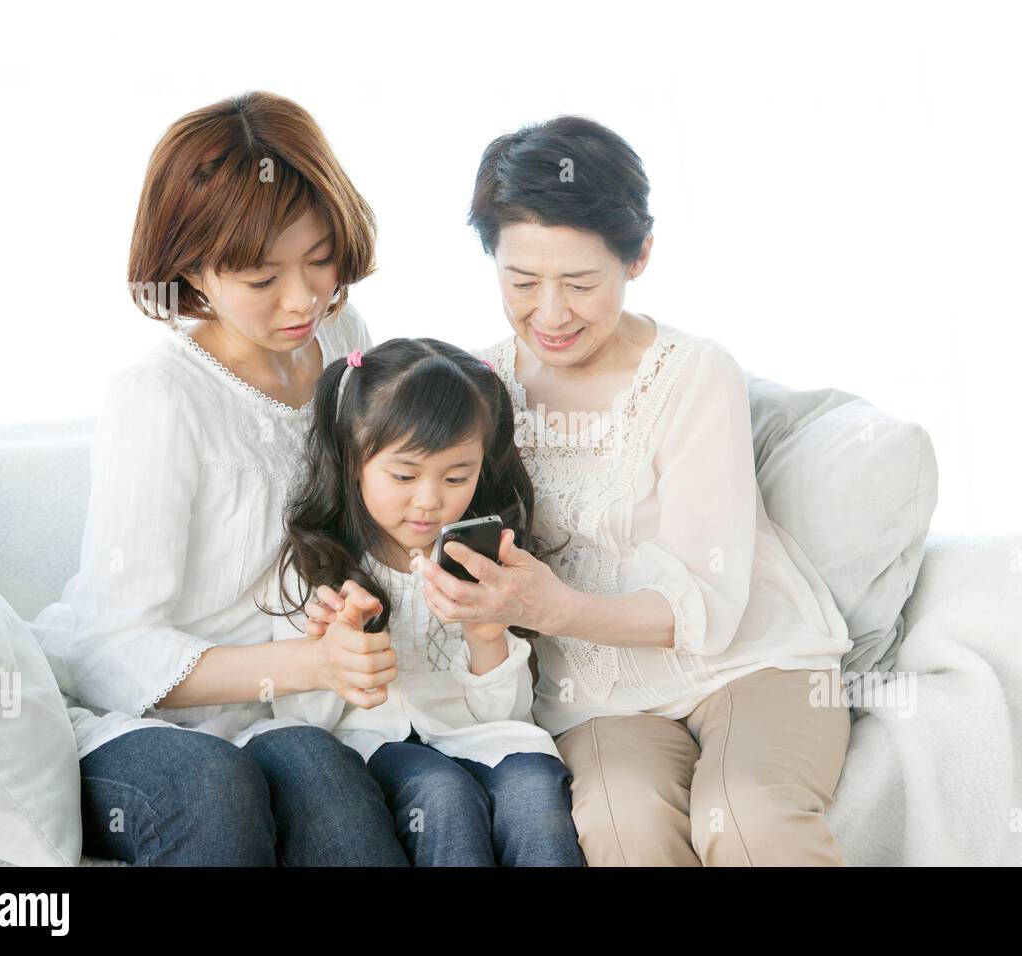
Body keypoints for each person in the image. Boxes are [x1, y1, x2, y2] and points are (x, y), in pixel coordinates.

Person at [308, 115, 856, 866]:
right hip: (595, 695)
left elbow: (716, 603)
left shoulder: (694, 376)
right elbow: (391, 510)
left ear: (640, 258)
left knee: (746, 816)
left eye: (581, 283)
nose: (552, 313)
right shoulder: (476, 386)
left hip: (749, 662)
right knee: (622, 826)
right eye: (522, 282)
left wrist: (549, 607)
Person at [32, 91, 406, 866]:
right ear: (192, 267)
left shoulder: (344, 338)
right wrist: (311, 663)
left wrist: (350, 605)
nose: (302, 299)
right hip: (134, 718)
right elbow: (112, 648)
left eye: (320, 259)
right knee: (213, 791)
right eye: (261, 278)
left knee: (336, 801)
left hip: (280, 709)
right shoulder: (160, 398)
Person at [267, 337, 583, 866]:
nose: (429, 500)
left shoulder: (484, 559)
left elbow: (506, 716)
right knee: (442, 794)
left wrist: (487, 638)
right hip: (375, 747)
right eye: (404, 476)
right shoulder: (318, 565)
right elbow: (304, 724)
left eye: (457, 477)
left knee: (534, 793)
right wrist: (332, 655)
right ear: (353, 461)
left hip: (481, 740)